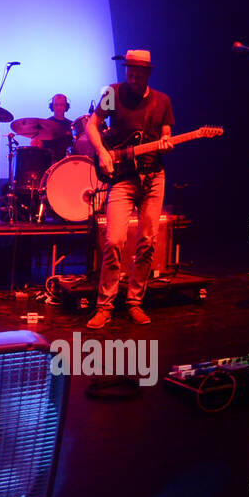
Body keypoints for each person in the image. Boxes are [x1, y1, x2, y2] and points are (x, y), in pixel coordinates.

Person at [86, 50, 174, 329]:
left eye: (139, 73)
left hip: (153, 178)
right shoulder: (113, 93)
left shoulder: (162, 101)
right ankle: (104, 306)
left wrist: (167, 141)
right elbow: (92, 124)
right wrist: (102, 152)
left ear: (149, 73)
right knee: (114, 240)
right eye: (130, 72)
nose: (134, 77)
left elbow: (167, 133)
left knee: (147, 241)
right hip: (123, 178)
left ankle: (135, 301)